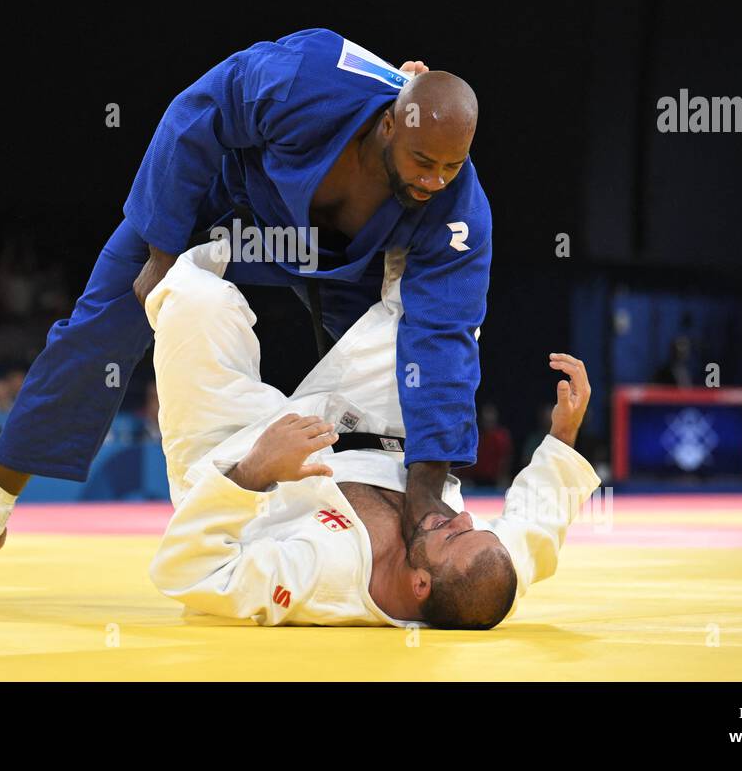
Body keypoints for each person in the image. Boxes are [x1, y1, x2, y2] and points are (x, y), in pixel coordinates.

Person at [0, 31, 491, 607]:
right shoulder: (308, 77)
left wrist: (427, 493)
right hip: (232, 212)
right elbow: (197, 111)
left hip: (344, 262)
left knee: (400, 374)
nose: (434, 181)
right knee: (94, 336)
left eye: (451, 166)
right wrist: (164, 255)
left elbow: (443, 338)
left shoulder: (457, 205)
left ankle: (323, 519)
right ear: (390, 125)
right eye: (423, 162)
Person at [143, 240, 597, 626]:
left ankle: (182, 253)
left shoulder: (321, 580)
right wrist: (563, 436)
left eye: (454, 534)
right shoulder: (483, 571)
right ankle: (397, 214)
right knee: (448, 319)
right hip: (368, 424)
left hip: (238, 452)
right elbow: (537, 527)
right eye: (473, 527)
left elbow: (188, 572)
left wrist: (253, 471)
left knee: (194, 299)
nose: (463, 519)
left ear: (420, 585)